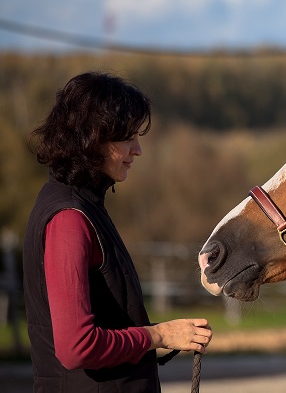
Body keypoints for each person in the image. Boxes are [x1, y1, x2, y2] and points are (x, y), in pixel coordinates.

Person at [23, 72, 213, 392]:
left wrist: (164, 334)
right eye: (126, 138)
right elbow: (77, 347)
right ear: (92, 139)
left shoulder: (82, 204)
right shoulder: (69, 219)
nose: (137, 150)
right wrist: (159, 336)